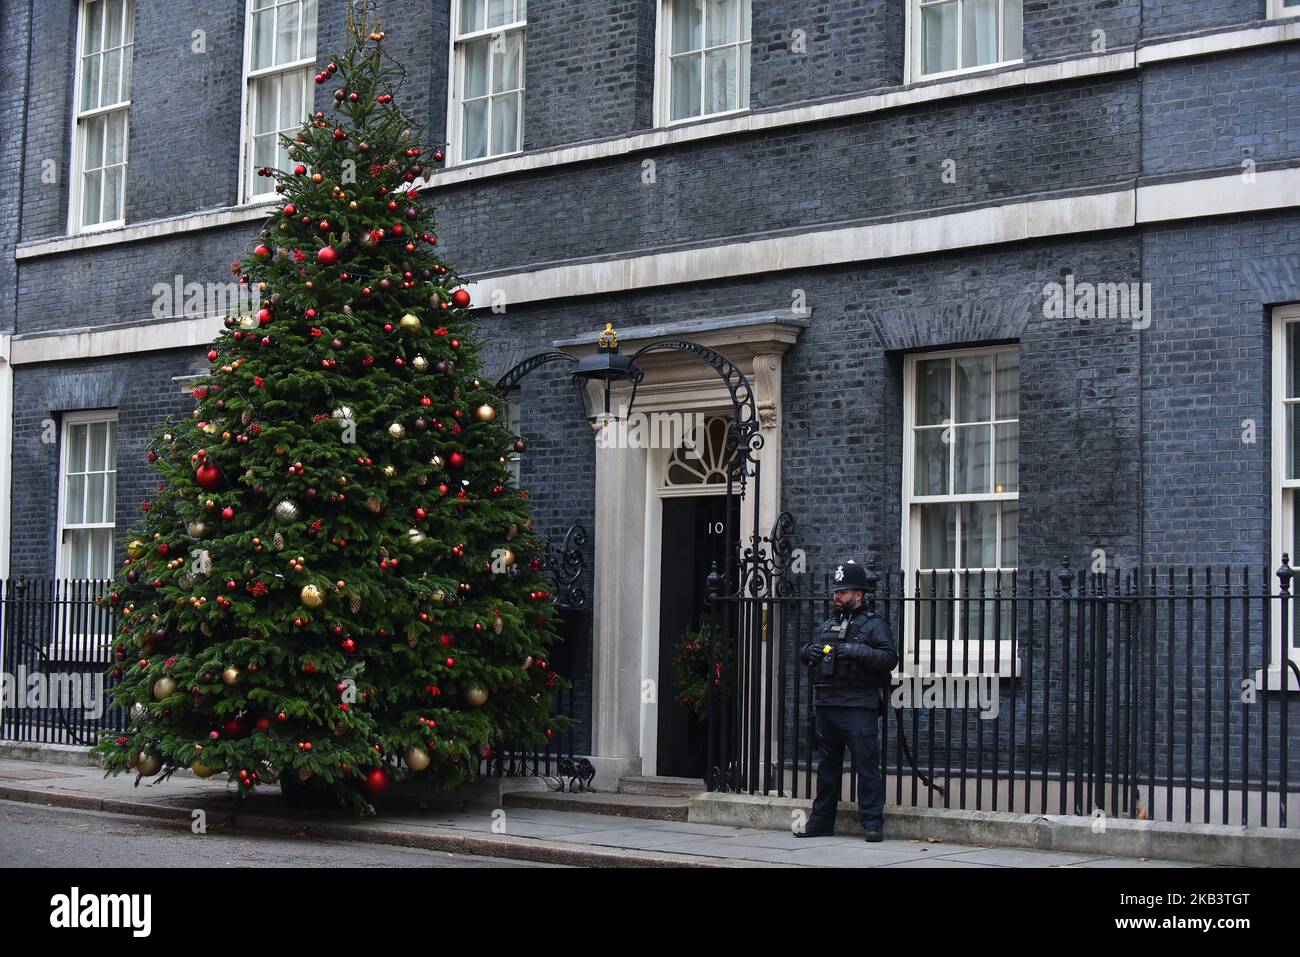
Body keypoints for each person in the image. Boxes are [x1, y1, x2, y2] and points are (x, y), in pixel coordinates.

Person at [797, 559, 897, 842]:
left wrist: (856, 650)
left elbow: (889, 658)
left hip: (858, 706)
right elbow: (809, 651)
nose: (836, 596)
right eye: (836, 591)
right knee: (827, 770)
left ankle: (873, 824)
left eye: (842, 591)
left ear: (859, 594)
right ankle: (821, 823)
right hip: (827, 705)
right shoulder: (829, 623)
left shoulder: (874, 624)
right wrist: (809, 652)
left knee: (866, 768)